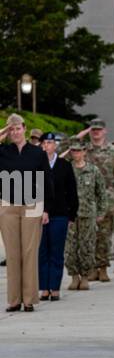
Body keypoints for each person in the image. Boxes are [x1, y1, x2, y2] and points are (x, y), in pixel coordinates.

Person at [0, 114, 50, 311]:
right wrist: (3, 131)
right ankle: (14, 300)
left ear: (25, 129)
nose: (15, 132)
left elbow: (46, 181)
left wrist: (46, 209)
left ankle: (29, 300)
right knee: (12, 254)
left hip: (32, 204)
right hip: (8, 204)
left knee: (29, 253)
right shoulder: (3, 151)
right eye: (11, 129)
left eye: (18, 128)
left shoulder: (37, 153)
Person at [85, 121, 114, 281]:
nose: (96, 133)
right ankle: (91, 268)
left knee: (104, 236)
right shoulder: (83, 151)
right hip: (87, 199)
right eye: (93, 130)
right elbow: (63, 149)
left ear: (105, 131)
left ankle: (102, 267)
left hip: (108, 199)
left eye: (99, 130)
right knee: (88, 236)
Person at [65, 139, 110, 289]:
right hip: (70, 215)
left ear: (84, 152)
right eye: (73, 151)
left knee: (87, 246)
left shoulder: (93, 170)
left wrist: (102, 212)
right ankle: (74, 276)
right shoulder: (66, 169)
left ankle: (85, 276)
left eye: (79, 151)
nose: (76, 153)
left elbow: (101, 193)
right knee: (70, 248)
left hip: (88, 214)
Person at [39, 132, 79, 300]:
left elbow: (72, 191)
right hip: (39, 214)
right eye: (45, 143)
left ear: (55, 145)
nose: (47, 145)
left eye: (50, 142)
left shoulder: (64, 165)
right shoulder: (36, 164)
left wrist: (72, 215)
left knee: (56, 251)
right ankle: (44, 288)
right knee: (42, 252)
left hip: (60, 214)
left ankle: (54, 287)